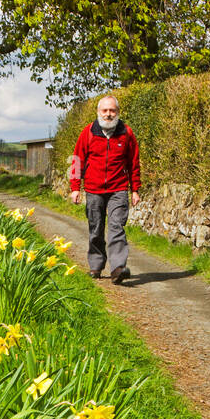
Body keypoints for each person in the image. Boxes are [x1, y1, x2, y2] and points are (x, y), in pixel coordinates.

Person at [68, 95, 141, 282]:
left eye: (112, 111)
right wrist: (75, 188)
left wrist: (135, 189)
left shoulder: (126, 133)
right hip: (93, 189)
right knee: (96, 228)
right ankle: (96, 266)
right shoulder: (88, 133)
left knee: (117, 226)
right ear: (98, 112)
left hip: (118, 188)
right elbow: (77, 160)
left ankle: (118, 268)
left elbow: (133, 163)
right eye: (105, 111)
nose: (108, 114)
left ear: (118, 112)